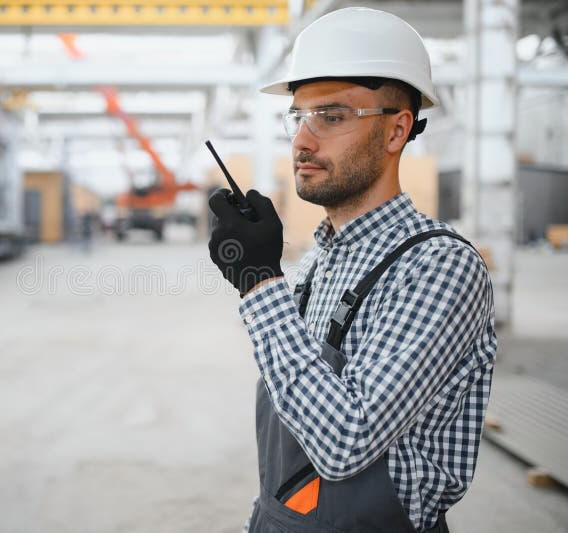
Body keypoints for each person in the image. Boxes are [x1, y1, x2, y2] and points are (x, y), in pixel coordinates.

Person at [207, 7, 496, 533]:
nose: (302, 140)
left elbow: (345, 439)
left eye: (332, 117)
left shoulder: (440, 267)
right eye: (298, 116)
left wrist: (258, 280)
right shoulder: (321, 258)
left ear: (396, 131)